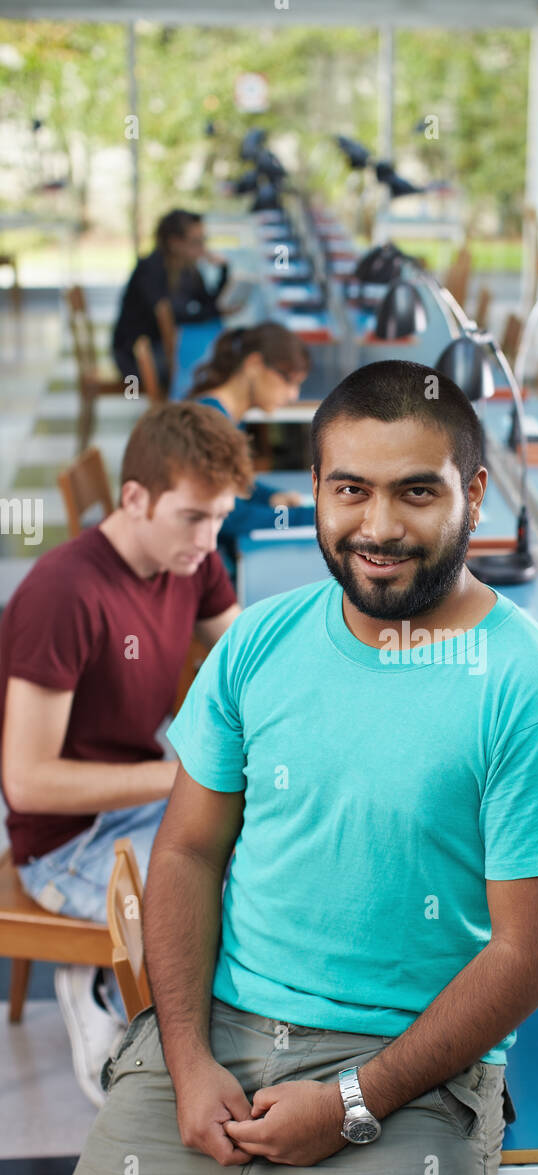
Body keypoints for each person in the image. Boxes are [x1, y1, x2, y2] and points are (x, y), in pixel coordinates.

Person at [40, 359, 538, 1175]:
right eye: (351, 489)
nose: (380, 527)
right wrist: (186, 1062)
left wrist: (352, 1103)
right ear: (314, 489)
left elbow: (529, 959)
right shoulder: (259, 644)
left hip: (409, 1079)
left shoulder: (534, 695)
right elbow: (186, 852)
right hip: (216, 1040)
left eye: (416, 493)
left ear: (473, 494)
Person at [0, 403, 249, 1106]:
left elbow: (242, 659)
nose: (210, 539)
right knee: (231, 894)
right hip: (65, 843)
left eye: (221, 518)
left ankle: (126, 976)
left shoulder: (187, 562)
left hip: (138, 803)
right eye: (194, 517)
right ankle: (120, 995)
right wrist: (181, 775)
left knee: (272, 853)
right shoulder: (64, 594)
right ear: (134, 499)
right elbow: (26, 783)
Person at [189, 322, 313, 576]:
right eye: (288, 380)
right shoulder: (212, 423)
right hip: (206, 567)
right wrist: (309, 518)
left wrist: (268, 498)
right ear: (255, 365)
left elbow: (231, 483)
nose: (293, 395)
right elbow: (230, 517)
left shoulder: (226, 415)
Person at [112, 209, 230, 391]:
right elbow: (174, 315)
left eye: (204, 240)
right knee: (207, 371)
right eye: (196, 242)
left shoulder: (187, 268)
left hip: (161, 345)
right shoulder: (150, 270)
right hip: (135, 356)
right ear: (175, 243)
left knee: (215, 360)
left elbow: (207, 303)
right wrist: (215, 312)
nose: (203, 248)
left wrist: (223, 270)